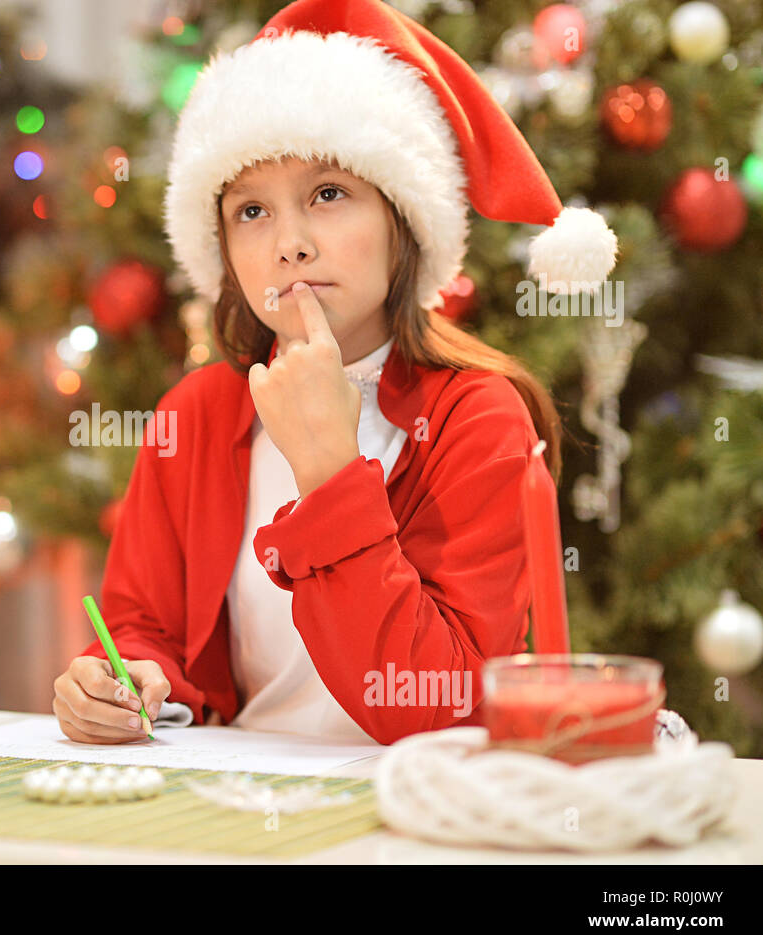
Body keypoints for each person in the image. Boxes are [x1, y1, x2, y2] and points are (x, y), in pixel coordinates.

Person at [52, 0, 617, 745]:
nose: (289, 243)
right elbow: (143, 629)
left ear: (401, 223)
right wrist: (119, 680)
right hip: (243, 806)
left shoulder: (479, 418)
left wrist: (328, 472)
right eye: (251, 211)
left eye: (328, 194)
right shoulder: (195, 415)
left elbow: (438, 706)